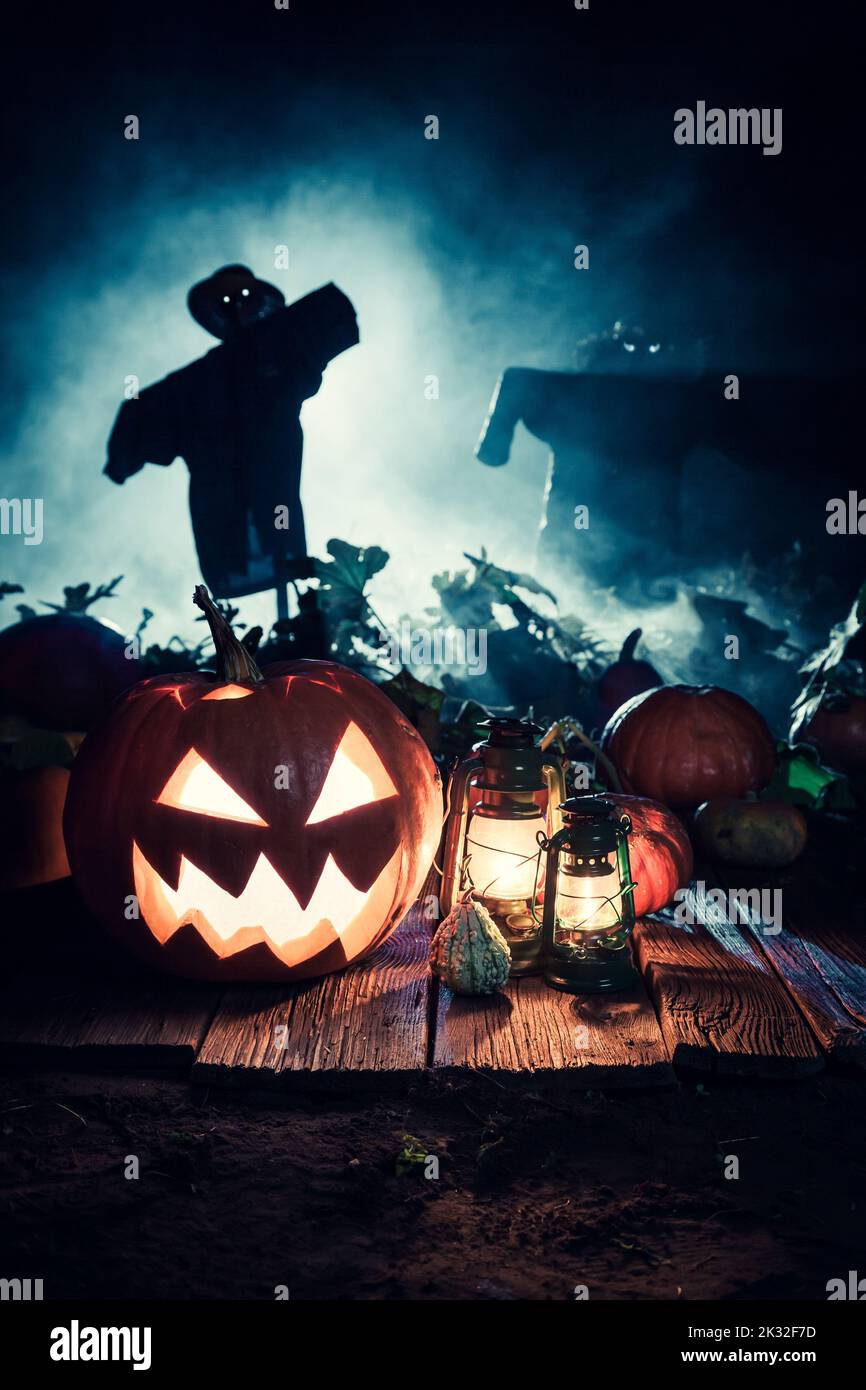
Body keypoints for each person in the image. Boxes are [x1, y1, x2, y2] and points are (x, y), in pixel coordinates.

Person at [105, 265, 359, 601]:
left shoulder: (280, 347)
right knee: (252, 546)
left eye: (244, 298)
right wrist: (120, 460)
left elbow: (331, 315)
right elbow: (139, 413)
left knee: (283, 549)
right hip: (223, 502)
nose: (237, 306)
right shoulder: (193, 384)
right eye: (227, 300)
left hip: (273, 486)